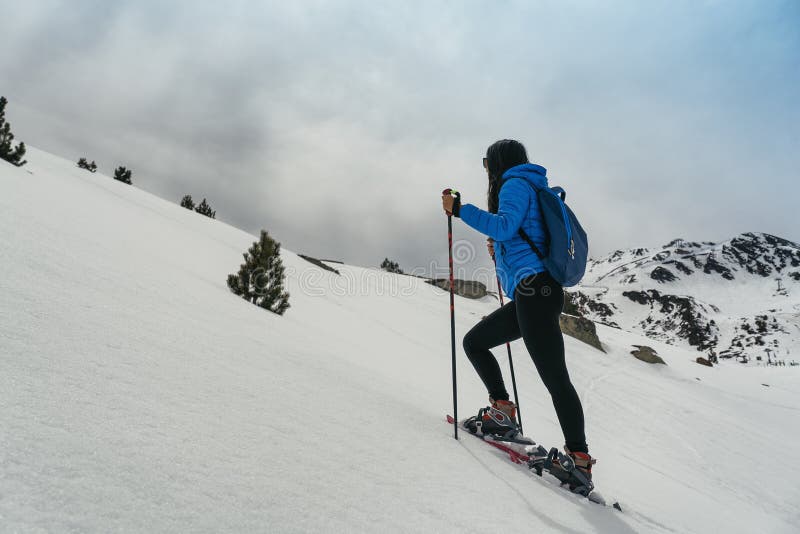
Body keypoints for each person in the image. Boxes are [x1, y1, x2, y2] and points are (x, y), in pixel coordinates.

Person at [441, 139, 594, 481]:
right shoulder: (530, 185)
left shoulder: (514, 184)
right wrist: (502, 250)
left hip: (535, 292)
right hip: (533, 293)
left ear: (497, 162)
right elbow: (516, 233)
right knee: (475, 342)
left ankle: (579, 460)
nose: (486, 170)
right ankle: (502, 411)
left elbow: (505, 226)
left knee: (556, 378)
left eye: (486, 163)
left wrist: (460, 209)